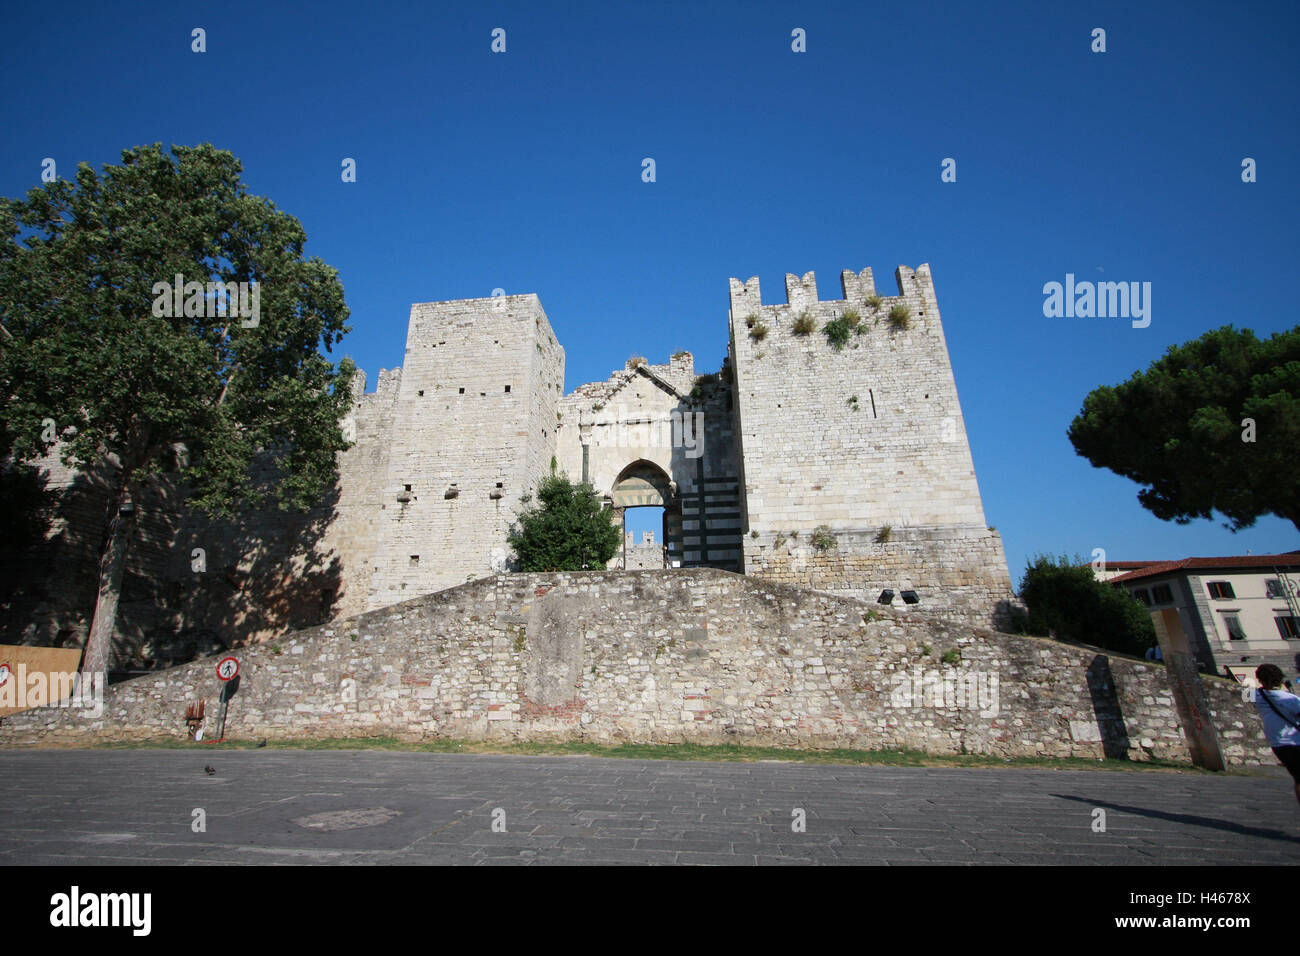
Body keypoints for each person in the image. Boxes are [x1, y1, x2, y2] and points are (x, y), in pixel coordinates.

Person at [1253, 664, 1300, 809]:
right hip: (1296, 741)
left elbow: (1243, 693)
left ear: (1260, 680)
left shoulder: (1258, 696)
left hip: (1277, 744)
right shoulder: (1291, 699)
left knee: (1297, 778)